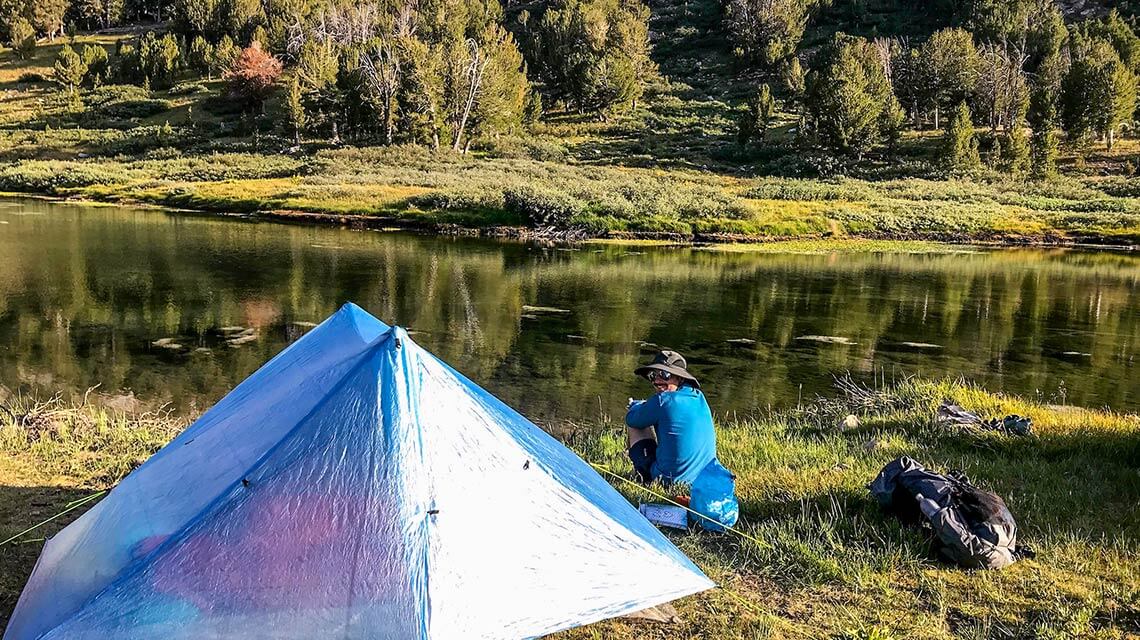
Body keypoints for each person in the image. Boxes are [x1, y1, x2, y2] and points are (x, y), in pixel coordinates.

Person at [625, 350, 717, 486]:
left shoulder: (662, 401)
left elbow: (632, 419)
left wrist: (636, 405)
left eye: (664, 374)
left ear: (680, 378)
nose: (657, 380)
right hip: (702, 478)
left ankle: (643, 475)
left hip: (669, 480)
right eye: (653, 375)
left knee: (635, 424)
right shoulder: (699, 397)